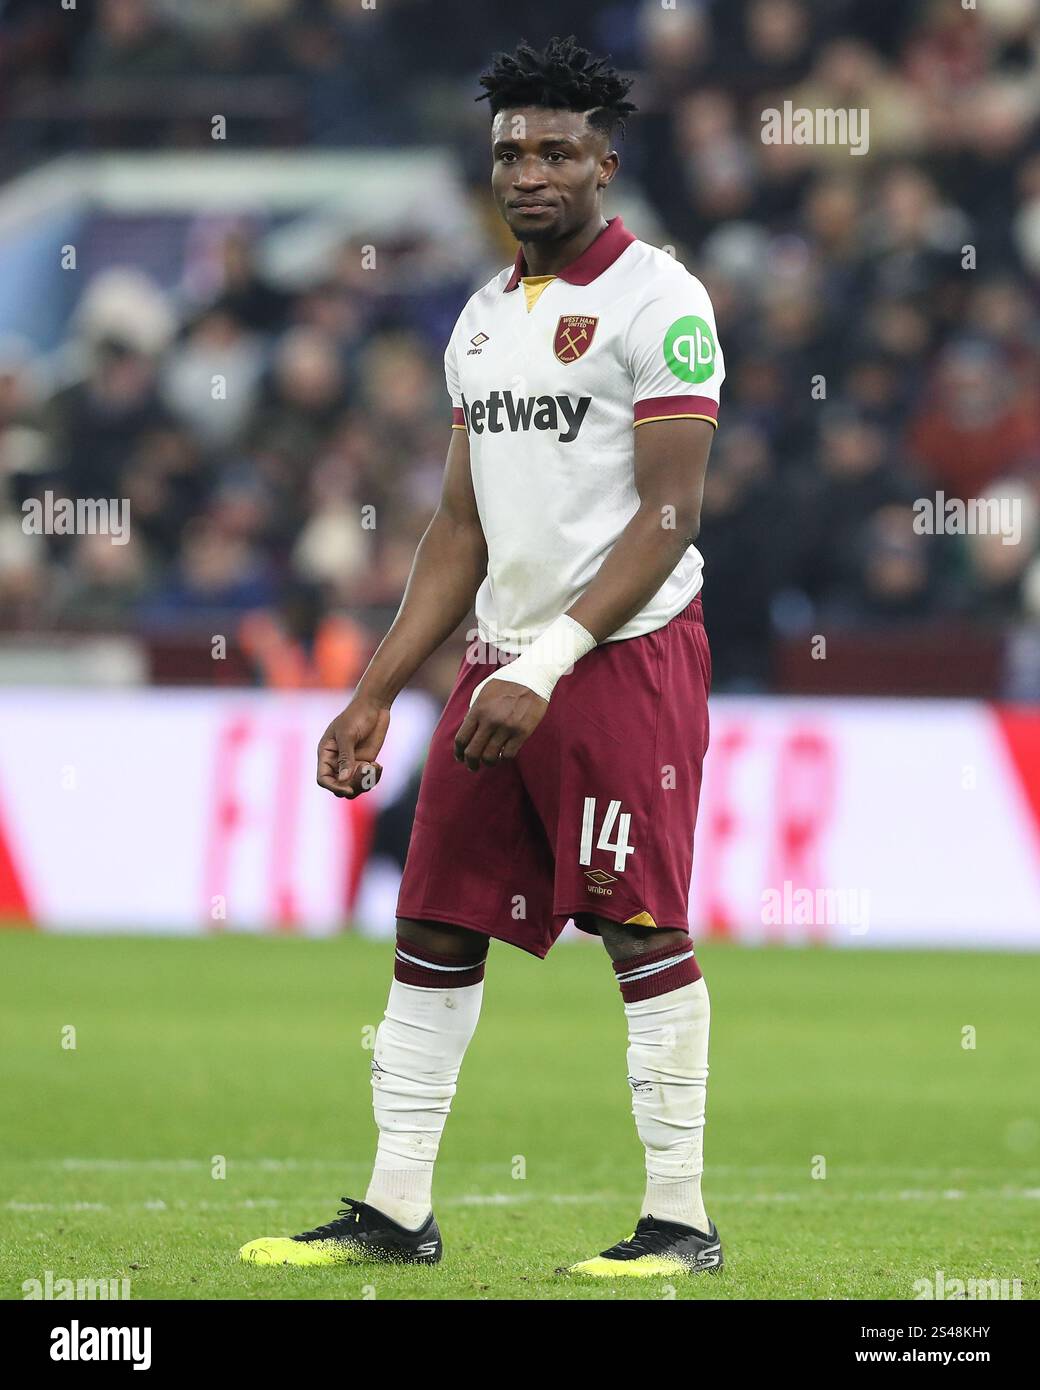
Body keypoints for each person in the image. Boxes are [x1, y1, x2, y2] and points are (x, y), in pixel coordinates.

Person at [240, 34, 725, 1279]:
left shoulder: (659, 301)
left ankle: (680, 1220)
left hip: (619, 657)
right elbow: (459, 527)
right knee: (435, 921)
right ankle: (395, 1210)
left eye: (557, 150)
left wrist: (549, 658)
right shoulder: (479, 318)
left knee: (637, 930)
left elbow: (668, 512)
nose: (529, 171)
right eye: (510, 150)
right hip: (498, 664)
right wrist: (374, 690)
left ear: (604, 162)